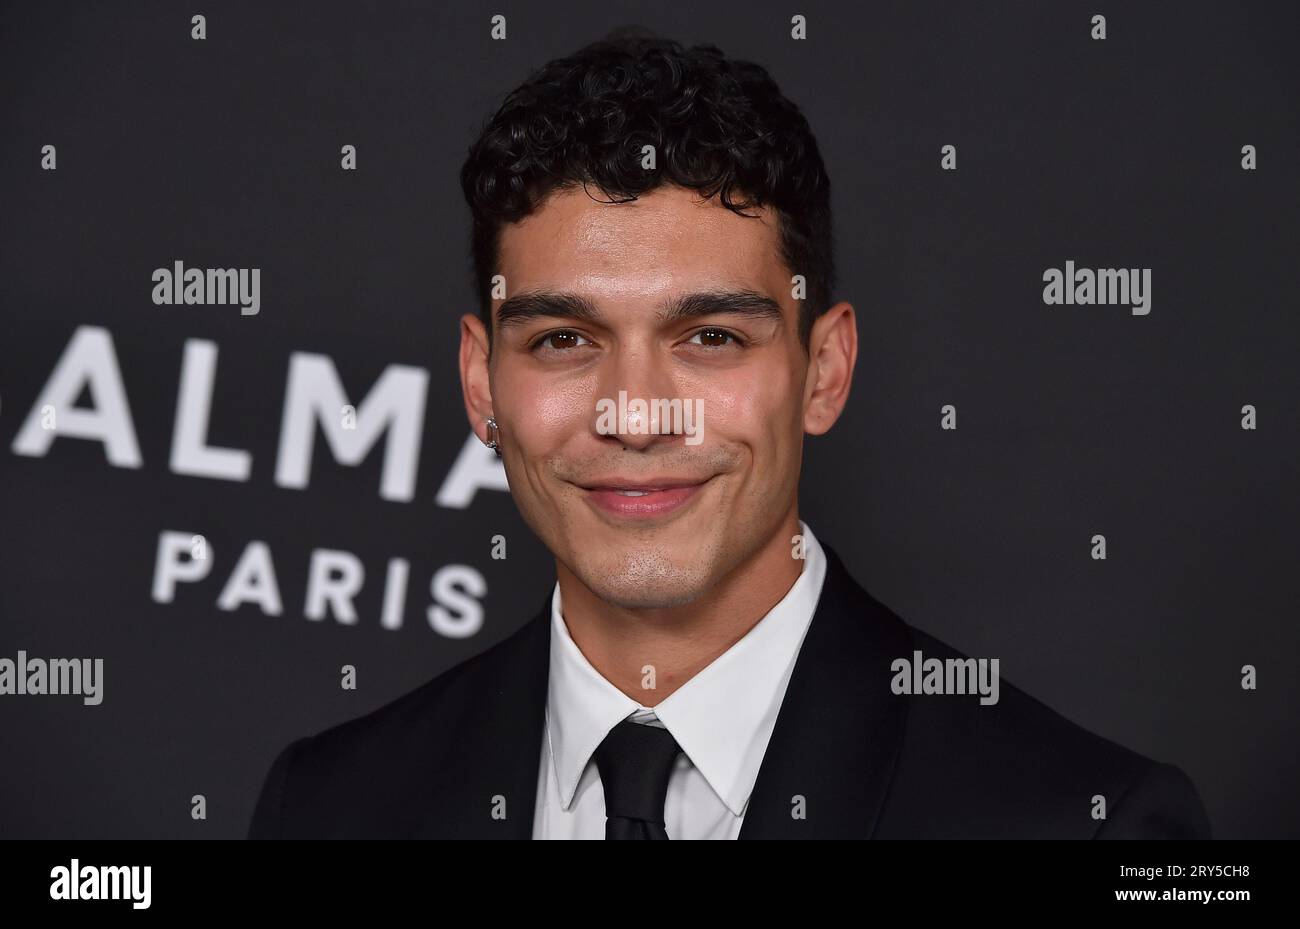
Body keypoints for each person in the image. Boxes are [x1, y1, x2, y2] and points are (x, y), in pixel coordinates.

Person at [248, 32, 1210, 840]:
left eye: (709, 337)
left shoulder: (1089, 823)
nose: (635, 412)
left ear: (822, 370)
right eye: (563, 339)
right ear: (479, 382)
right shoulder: (328, 807)